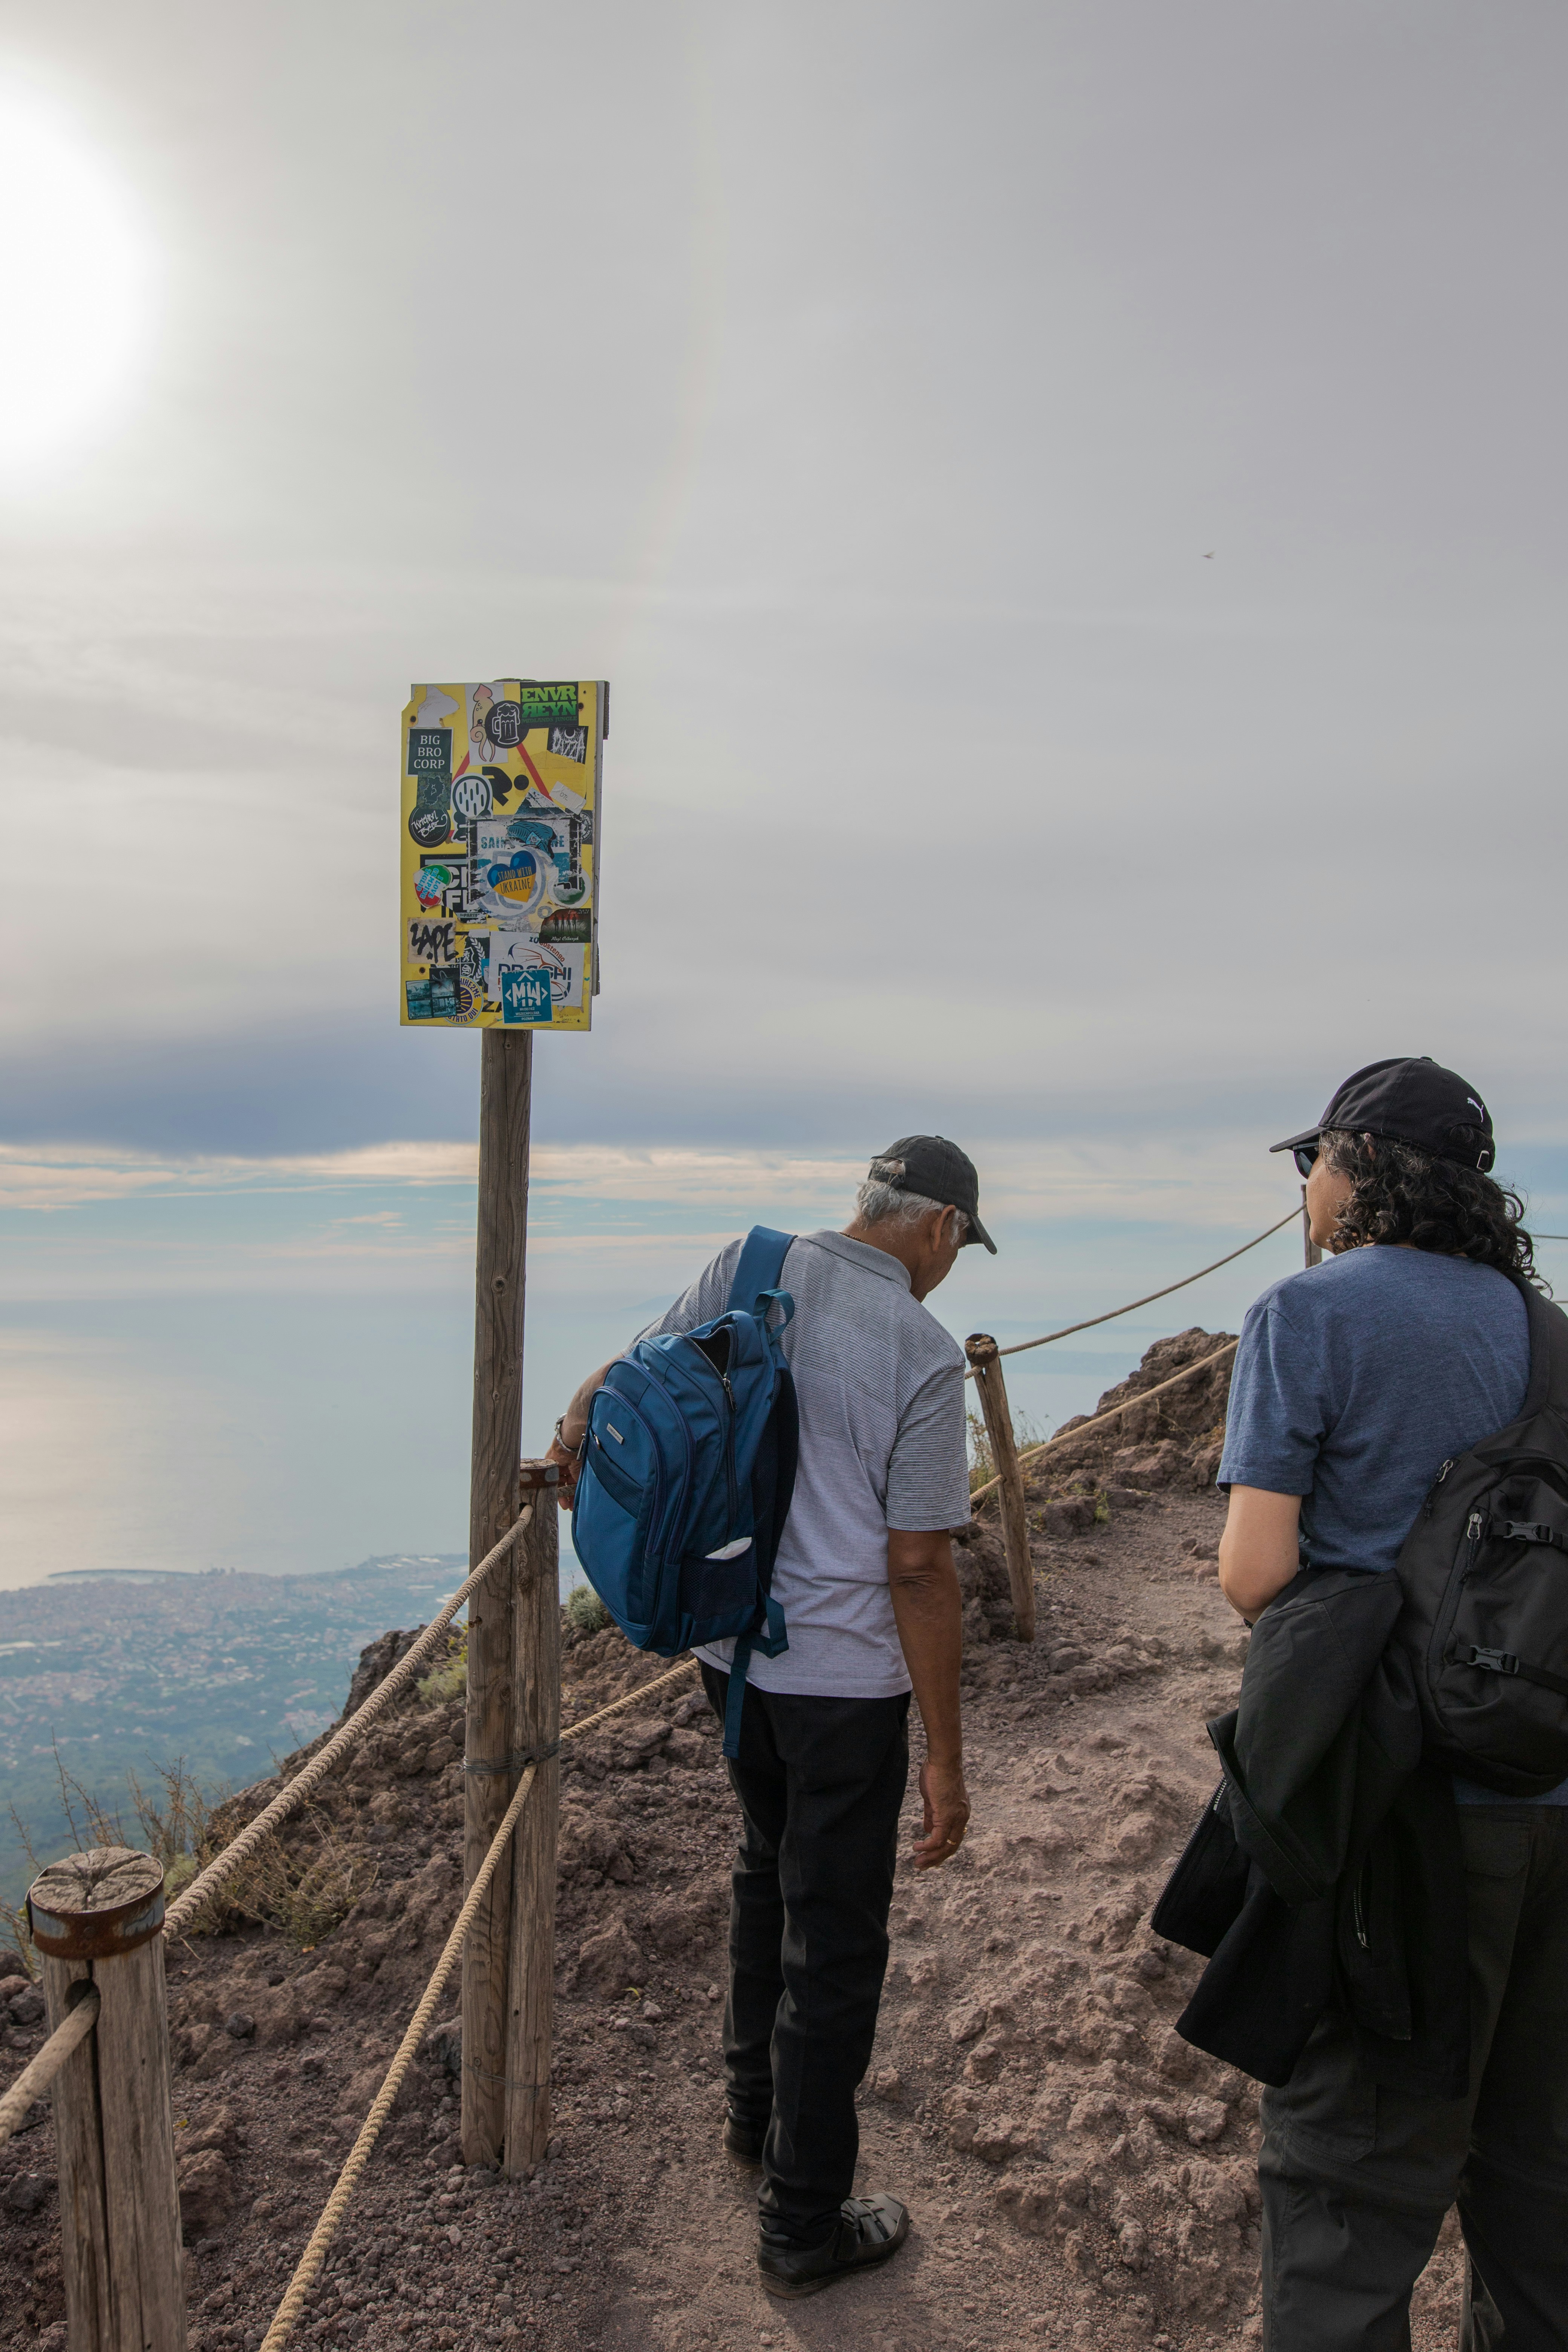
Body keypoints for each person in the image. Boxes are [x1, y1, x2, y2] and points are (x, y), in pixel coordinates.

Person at [547, 1136, 993, 2298]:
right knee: (835, 1940)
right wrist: (946, 1755)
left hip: (728, 1650)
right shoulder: (925, 1351)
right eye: (961, 1245)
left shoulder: (747, 1259)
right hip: (845, 1686)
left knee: (765, 1868)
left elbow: (621, 1381)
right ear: (941, 1227)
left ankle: (753, 2118)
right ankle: (803, 2223)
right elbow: (918, 1569)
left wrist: (565, 1440)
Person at [1215, 1055, 1568, 2349]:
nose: (1305, 1186)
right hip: (1551, 1796)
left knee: (1348, 2201)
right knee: (1541, 2193)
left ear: (1359, 1167)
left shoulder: (1306, 1318)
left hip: (1404, 1819)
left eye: (1312, 1158)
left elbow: (1256, 1576)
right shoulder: (1552, 1336)